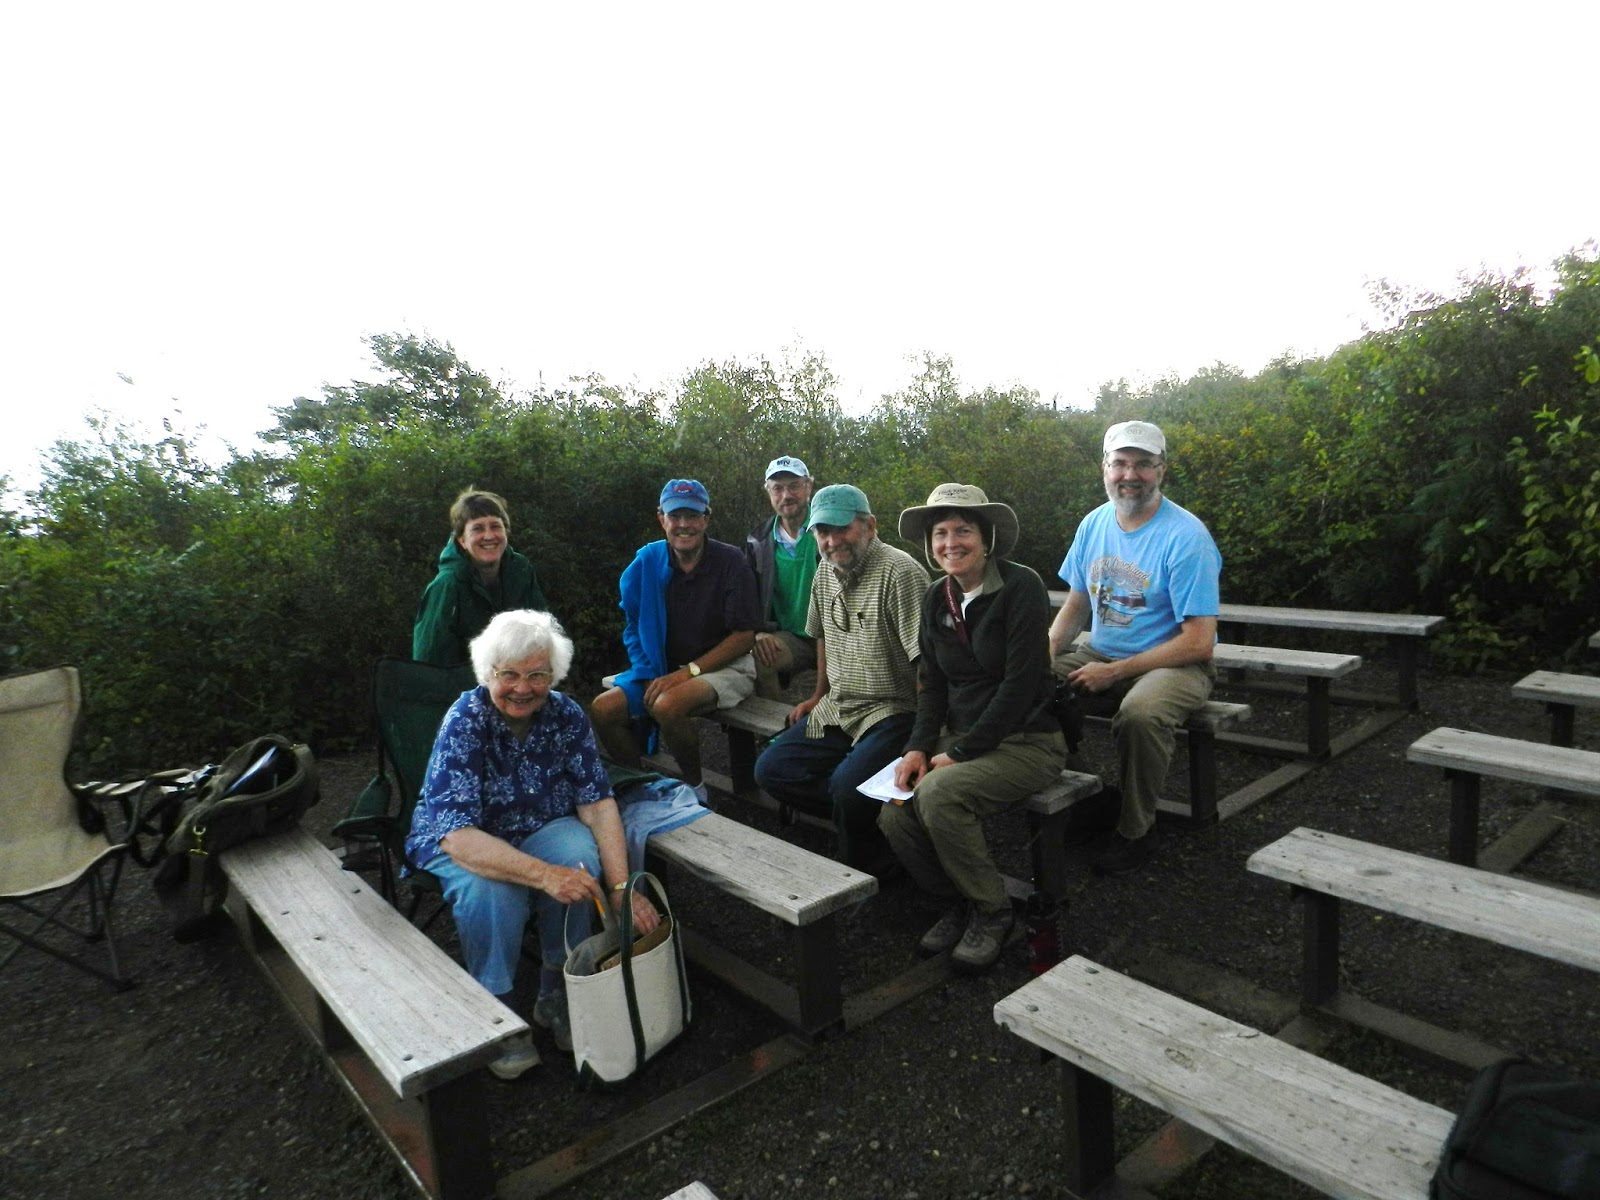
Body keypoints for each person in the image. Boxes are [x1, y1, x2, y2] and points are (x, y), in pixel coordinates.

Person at [405, 609, 660, 1080]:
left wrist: (621, 887)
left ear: (553, 675)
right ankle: (498, 1013)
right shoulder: (466, 719)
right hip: (464, 838)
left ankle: (556, 990)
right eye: (509, 675)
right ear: (488, 674)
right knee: (492, 891)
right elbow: (457, 834)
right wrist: (544, 876)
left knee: (578, 860)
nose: (523, 688)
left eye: (537, 675)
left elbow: (597, 803)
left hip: (537, 825)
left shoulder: (566, 715)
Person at [882, 484, 1067, 973]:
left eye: (962, 530)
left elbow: (1020, 684)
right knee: (894, 809)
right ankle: (958, 900)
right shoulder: (935, 597)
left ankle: (993, 911)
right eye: (940, 533)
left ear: (986, 538)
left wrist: (962, 752)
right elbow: (932, 685)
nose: (951, 543)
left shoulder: (1020, 586)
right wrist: (918, 748)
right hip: (963, 738)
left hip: (1027, 739)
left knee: (939, 796)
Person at [1049, 420, 1221, 875]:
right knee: (1028, 687)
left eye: (1143, 464)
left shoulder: (1186, 537)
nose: (1130, 475)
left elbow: (1199, 641)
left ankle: (1135, 831)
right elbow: (1077, 604)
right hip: (1102, 653)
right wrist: (1043, 653)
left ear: (1161, 470)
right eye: (1120, 463)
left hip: (1176, 662)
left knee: (1140, 715)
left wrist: (1115, 672)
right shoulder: (1093, 524)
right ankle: (1092, 796)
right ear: (1104, 468)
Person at [752, 484, 928, 875]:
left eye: (842, 529)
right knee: (771, 769)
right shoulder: (825, 571)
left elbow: (926, 664)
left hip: (894, 710)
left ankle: (869, 866)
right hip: (840, 705)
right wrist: (819, 695)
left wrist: (922, 740)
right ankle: (869, 818)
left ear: (870, 526)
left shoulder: (900, 573)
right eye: (822, 531)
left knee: (847, 787)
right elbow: (822, 637)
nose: (832, 541)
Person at [589, 479, 762, 799]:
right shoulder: (647, 562)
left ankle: (696, 790)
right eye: (675, 516)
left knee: (666, 704)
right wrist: (649, 670)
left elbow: (743, 637)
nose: (684, 524)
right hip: (665, 667)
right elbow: (633, 627)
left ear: (706, 519)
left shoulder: (731, 561)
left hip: (726, 666)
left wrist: (687, 673)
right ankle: (642, 787)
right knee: (603, 709)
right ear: (662, 519)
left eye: (692, 515)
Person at [412, 488, 550, 667]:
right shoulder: (447, 585)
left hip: (518, 678)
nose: (489, 536)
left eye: (495, 526)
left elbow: (542, 634)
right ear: (462, 540)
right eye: (477, 528)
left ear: (506, 532)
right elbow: (428, 663)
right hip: (464, 682)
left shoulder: (521, 570)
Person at [743, 455, 821, 700]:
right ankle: (777, 723)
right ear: (768, 491)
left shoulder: (828, 528)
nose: (786, 495)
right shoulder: (758, 541)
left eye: (794, 486)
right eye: (777, 488)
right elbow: (747, 596)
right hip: (793, 637)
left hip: (837, 634)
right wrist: (758, 632)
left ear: (809, 486)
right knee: (760, 656)